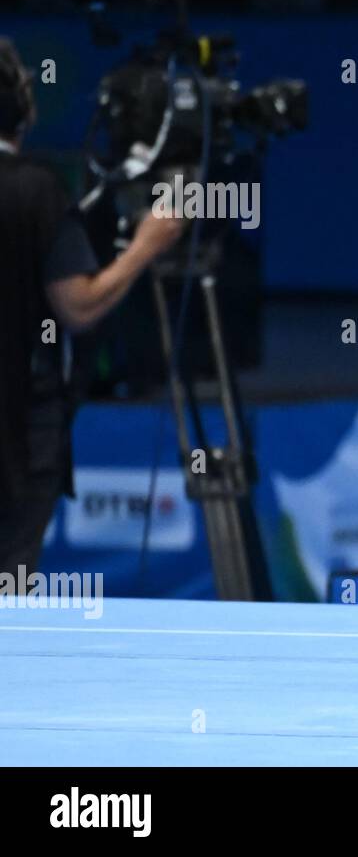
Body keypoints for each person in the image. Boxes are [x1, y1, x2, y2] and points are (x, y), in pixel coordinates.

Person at [0, 37, 183, 576]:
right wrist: (146, 246)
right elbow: (78, 307)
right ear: (20, 108)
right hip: (19, 431)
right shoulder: (36, 190)